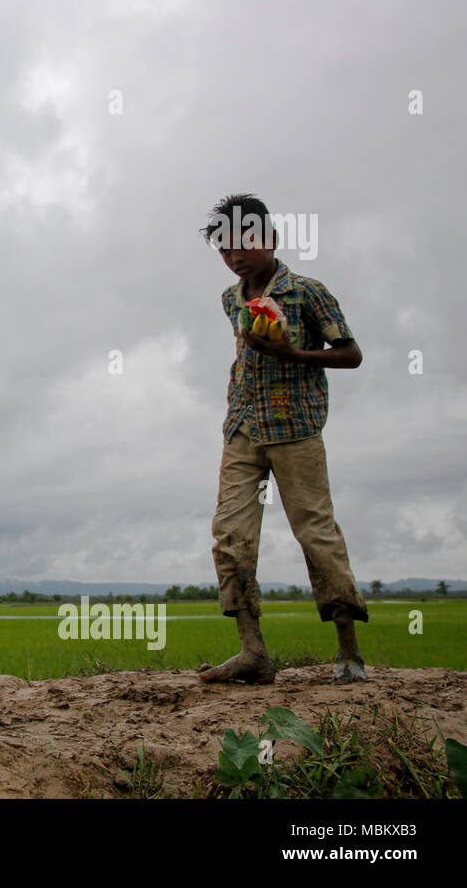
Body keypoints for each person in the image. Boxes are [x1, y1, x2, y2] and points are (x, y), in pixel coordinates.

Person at [197, 193, 368, 685]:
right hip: (242, 429)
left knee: (315, 531)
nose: (236, 257)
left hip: (296, 429)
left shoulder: (306, 292)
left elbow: (352, 353)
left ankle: (348, 652)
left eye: (245, 244)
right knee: (230, 536)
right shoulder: (231, 299)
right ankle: (254, 652)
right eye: (226, 250)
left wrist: (294, 355)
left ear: (270, 239)